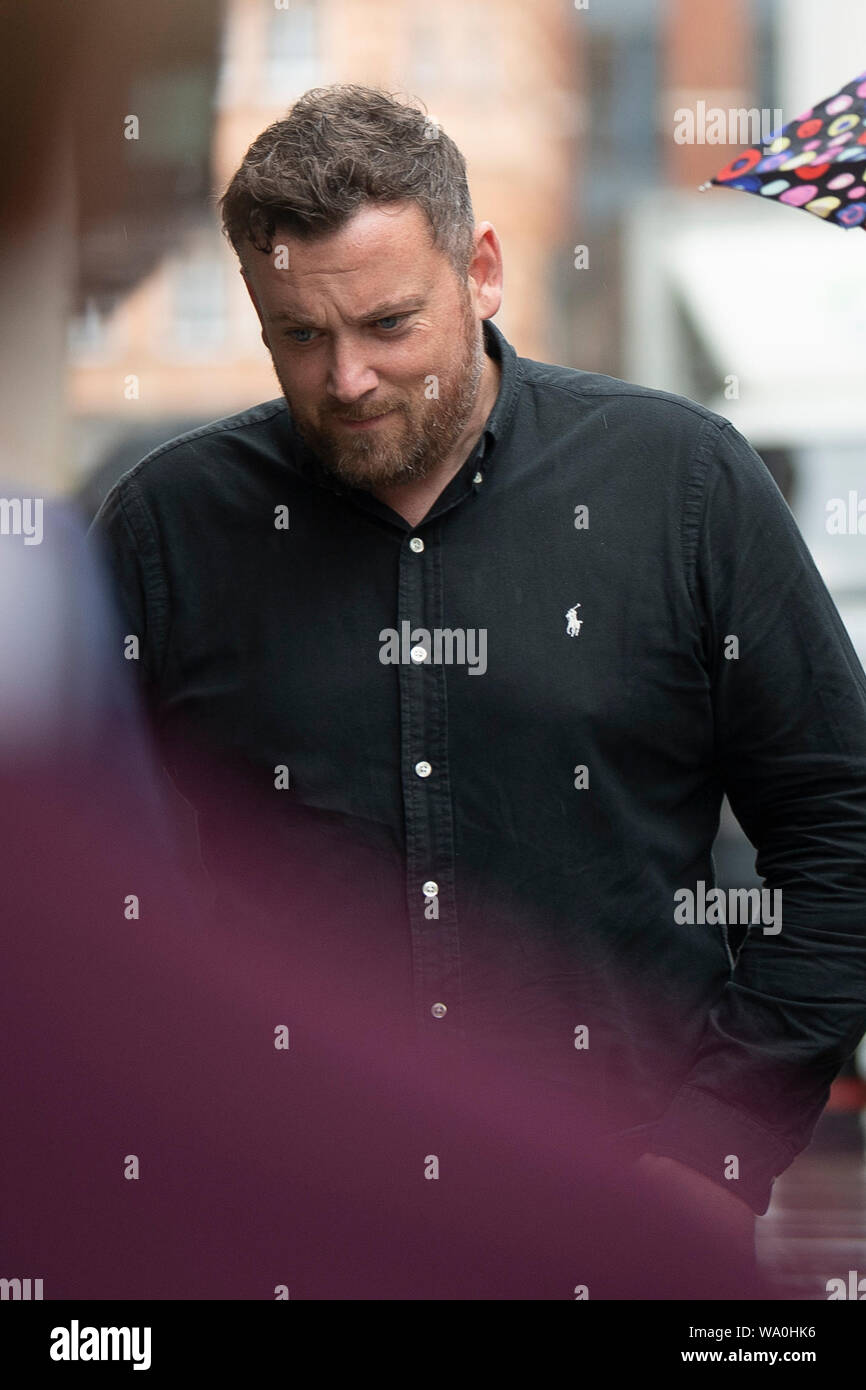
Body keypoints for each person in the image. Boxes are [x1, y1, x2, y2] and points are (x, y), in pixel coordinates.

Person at [89, 83, 866, 1269]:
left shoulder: (683, 486)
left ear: (482, 271)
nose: (345, 379)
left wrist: (713, 1150)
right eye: (301, 334)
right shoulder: (164, 531)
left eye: (388, 322)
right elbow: (72, 893)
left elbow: (842, 830)